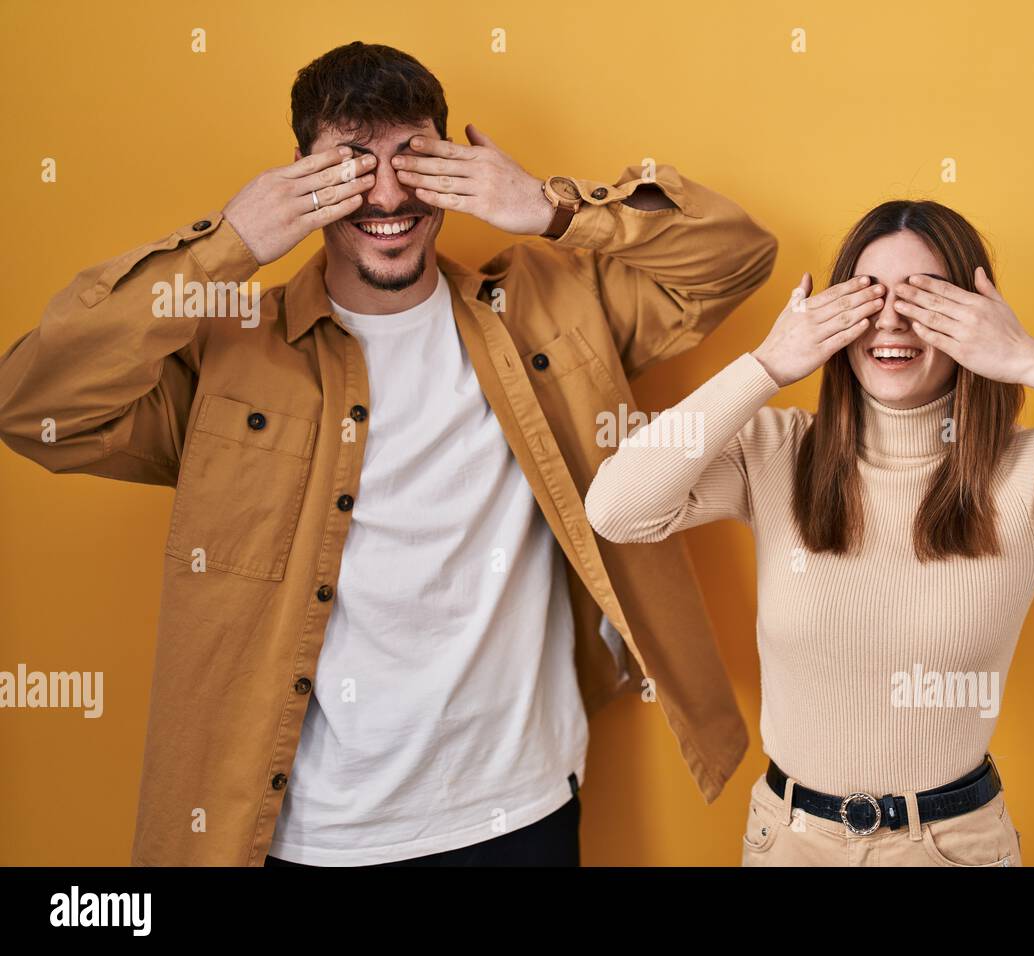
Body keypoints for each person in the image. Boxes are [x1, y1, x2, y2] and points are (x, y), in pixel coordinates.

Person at [0, 41, 777, 866]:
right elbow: (33, 402)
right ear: (297, 179)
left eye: (415, 158)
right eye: (347, 166)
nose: (387, 194)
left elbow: (736, 259)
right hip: (314, 836)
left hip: (520, 812)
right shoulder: (232, 352)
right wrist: (229, 242)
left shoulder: (548, 308)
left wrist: (549, 206)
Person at [583, 199, 1034, 866]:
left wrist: (1028, 357)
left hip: (951, 847)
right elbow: (616, 508)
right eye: (867, 296)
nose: (892, 322)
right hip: (789, 841)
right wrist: (765, 368)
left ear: (973, 317)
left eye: (924, 300)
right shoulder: (776, 451)